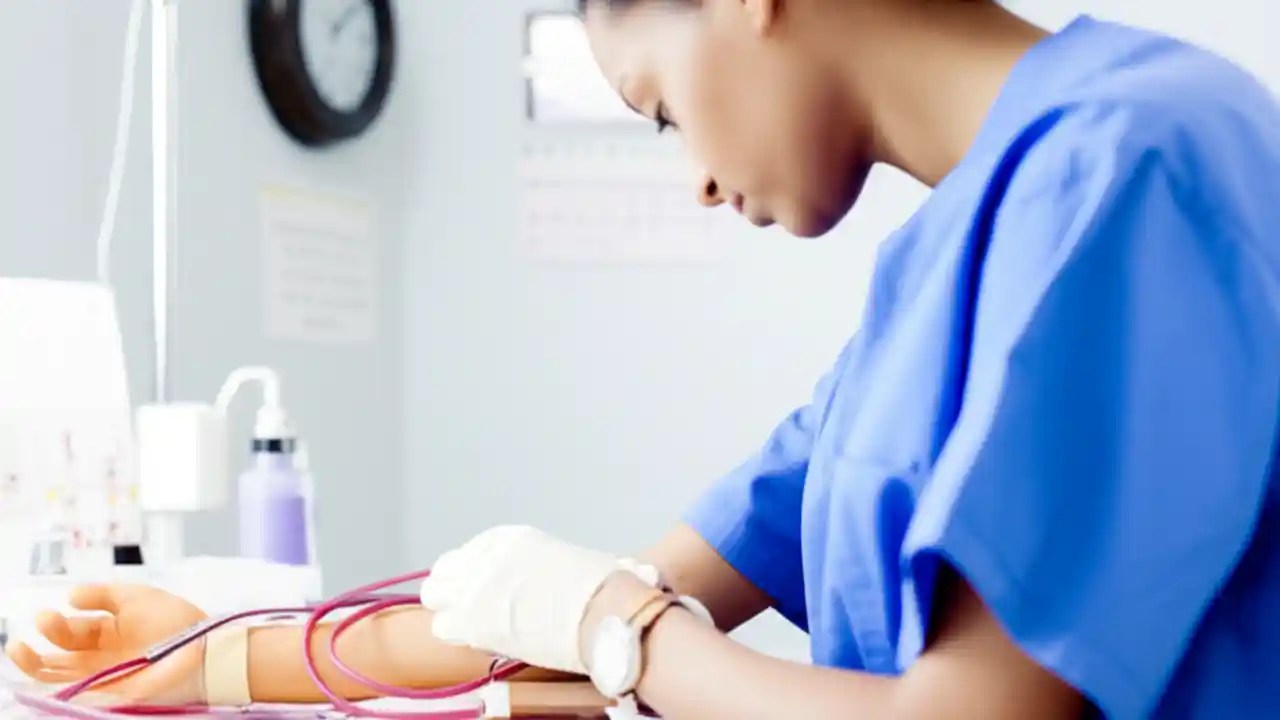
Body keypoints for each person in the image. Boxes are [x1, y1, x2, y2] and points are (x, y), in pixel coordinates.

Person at [9, 0, 1280, 717]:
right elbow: (580, 614)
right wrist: (220, 653)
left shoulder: (1142, 156)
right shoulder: (934, 276)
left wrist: (630, 637)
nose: (699, 182)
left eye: (661, 109)